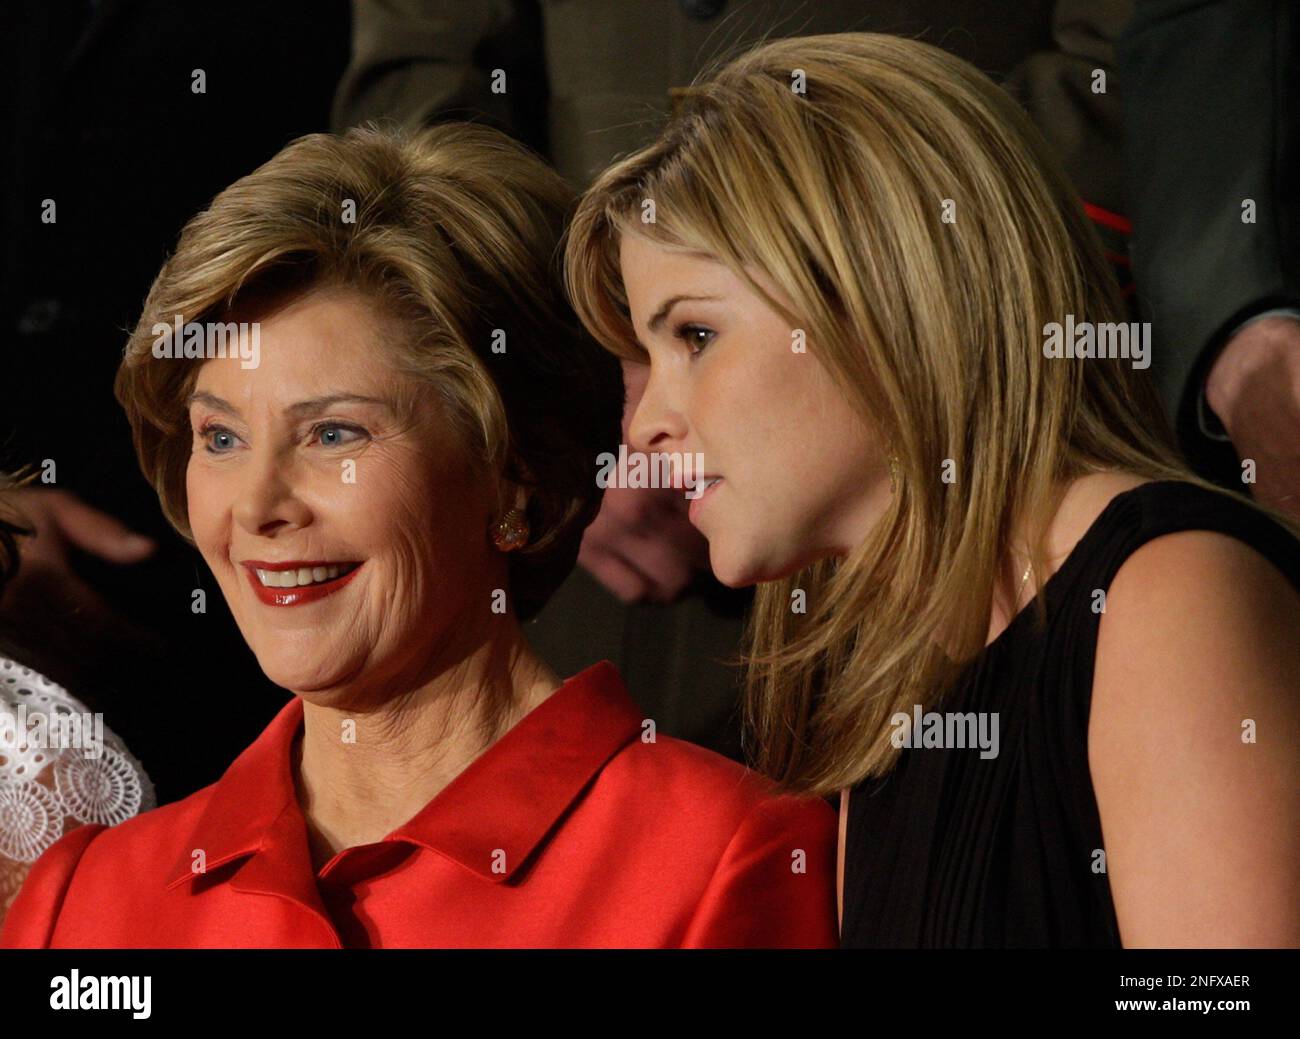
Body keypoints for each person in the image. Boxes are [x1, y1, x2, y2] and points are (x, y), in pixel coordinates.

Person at [0, 123, 837, 949]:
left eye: (333, 434)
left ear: (518, 478)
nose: (257, 506)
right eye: (221, 438)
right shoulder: (85, 901)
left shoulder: (725, 857)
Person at [564, 33, 1300, 946]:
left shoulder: (1166, 593)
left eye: (696, 337)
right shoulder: (877, 680)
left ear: (884, 291)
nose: (643, 426)